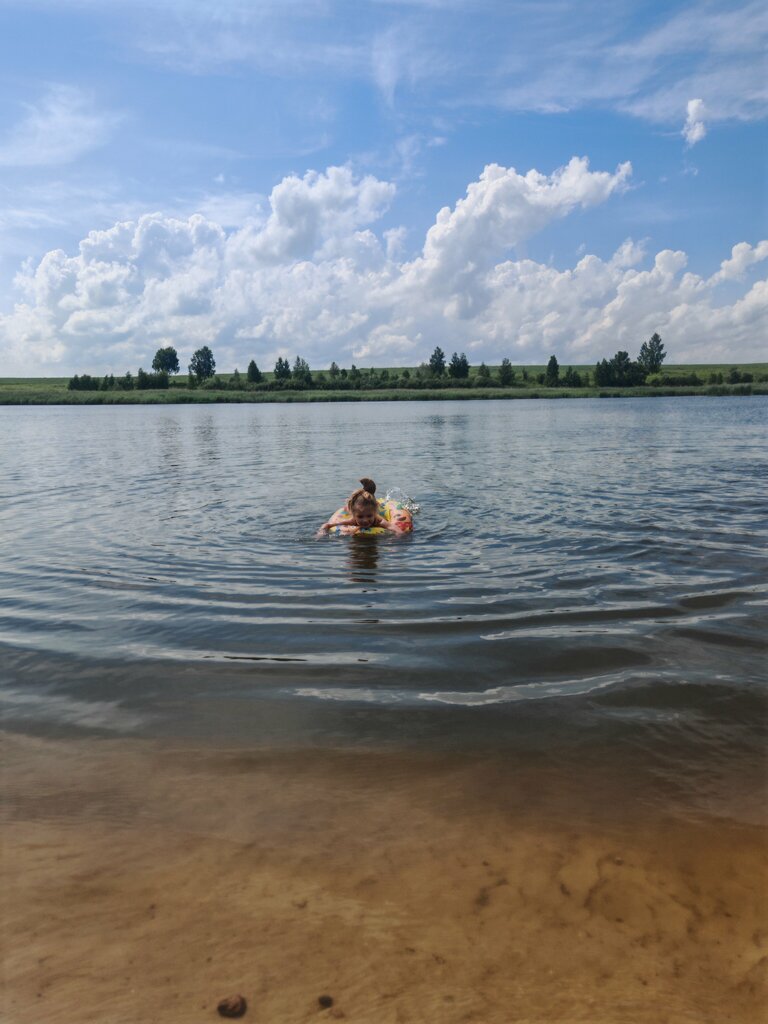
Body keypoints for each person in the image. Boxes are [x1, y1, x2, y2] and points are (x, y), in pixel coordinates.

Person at [319, 477, 401, 535]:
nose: (365, 520)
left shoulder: (379, 521)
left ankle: (371, 493)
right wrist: (321, 532)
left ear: (375, 512)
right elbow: (327, 525)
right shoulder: (353, 521)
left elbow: (397, 529)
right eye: (360, 517)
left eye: (369, 516)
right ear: (354, 515)